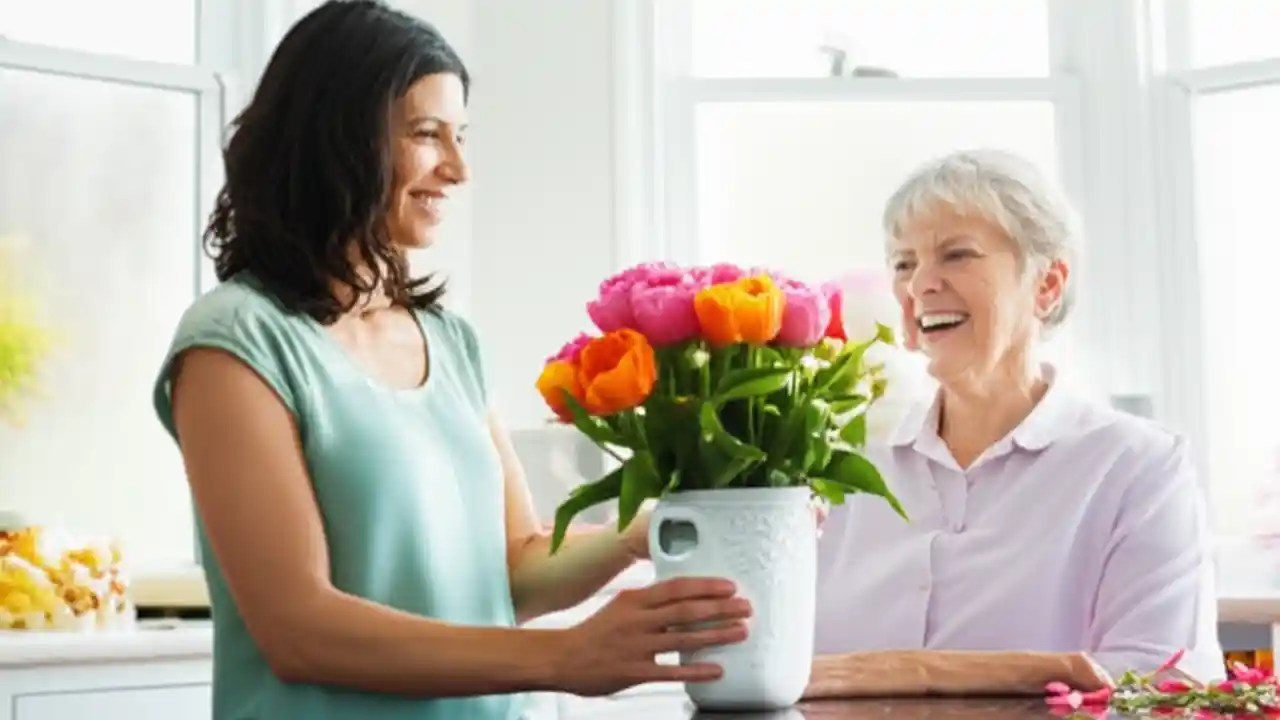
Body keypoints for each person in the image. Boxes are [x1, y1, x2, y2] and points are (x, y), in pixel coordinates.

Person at [150, 2, 749, 718]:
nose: (458, 169)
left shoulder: (450, 340)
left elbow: (514, 569)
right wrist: (563, 658)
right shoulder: (236, 342)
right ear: (335, 140)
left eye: (460, 136)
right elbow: (299, 630)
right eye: (427, 135)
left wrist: (643, 531)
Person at [806, 149, 1224, 697]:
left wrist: (911, 673)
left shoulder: (1137, 467)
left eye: (956, 255)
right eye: (904, 263)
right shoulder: (840, 464)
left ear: (1046, 285)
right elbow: (761, 669)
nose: (920, 285)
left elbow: (1163, 683)